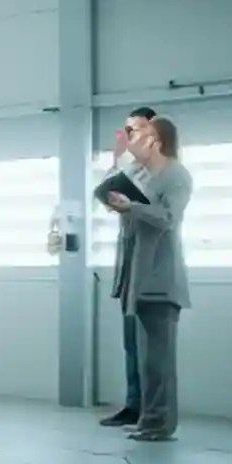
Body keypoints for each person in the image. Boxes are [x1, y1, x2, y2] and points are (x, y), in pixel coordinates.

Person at [102, 116, 191, 441]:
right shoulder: (141, 173)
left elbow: (169, 218)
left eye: (142, 134)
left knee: (159, 361)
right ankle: (148, 419)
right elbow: (116, 187)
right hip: (138, 279)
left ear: (159, 140)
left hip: (161, 280)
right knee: (145, 360)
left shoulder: (176, 176)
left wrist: (133, 208)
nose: (135, 139)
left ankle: (160, 424)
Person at [93, 106, 158, 427]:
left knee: (149, 346)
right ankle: (135, 404)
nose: (132, 135)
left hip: (151, 268)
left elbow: (154, 211)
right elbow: (107, 194)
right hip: (129, 263)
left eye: (139, 129)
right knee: (131, 342)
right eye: (128, 130)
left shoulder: (161, 169)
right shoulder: (131, 168)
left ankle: (151, 409)